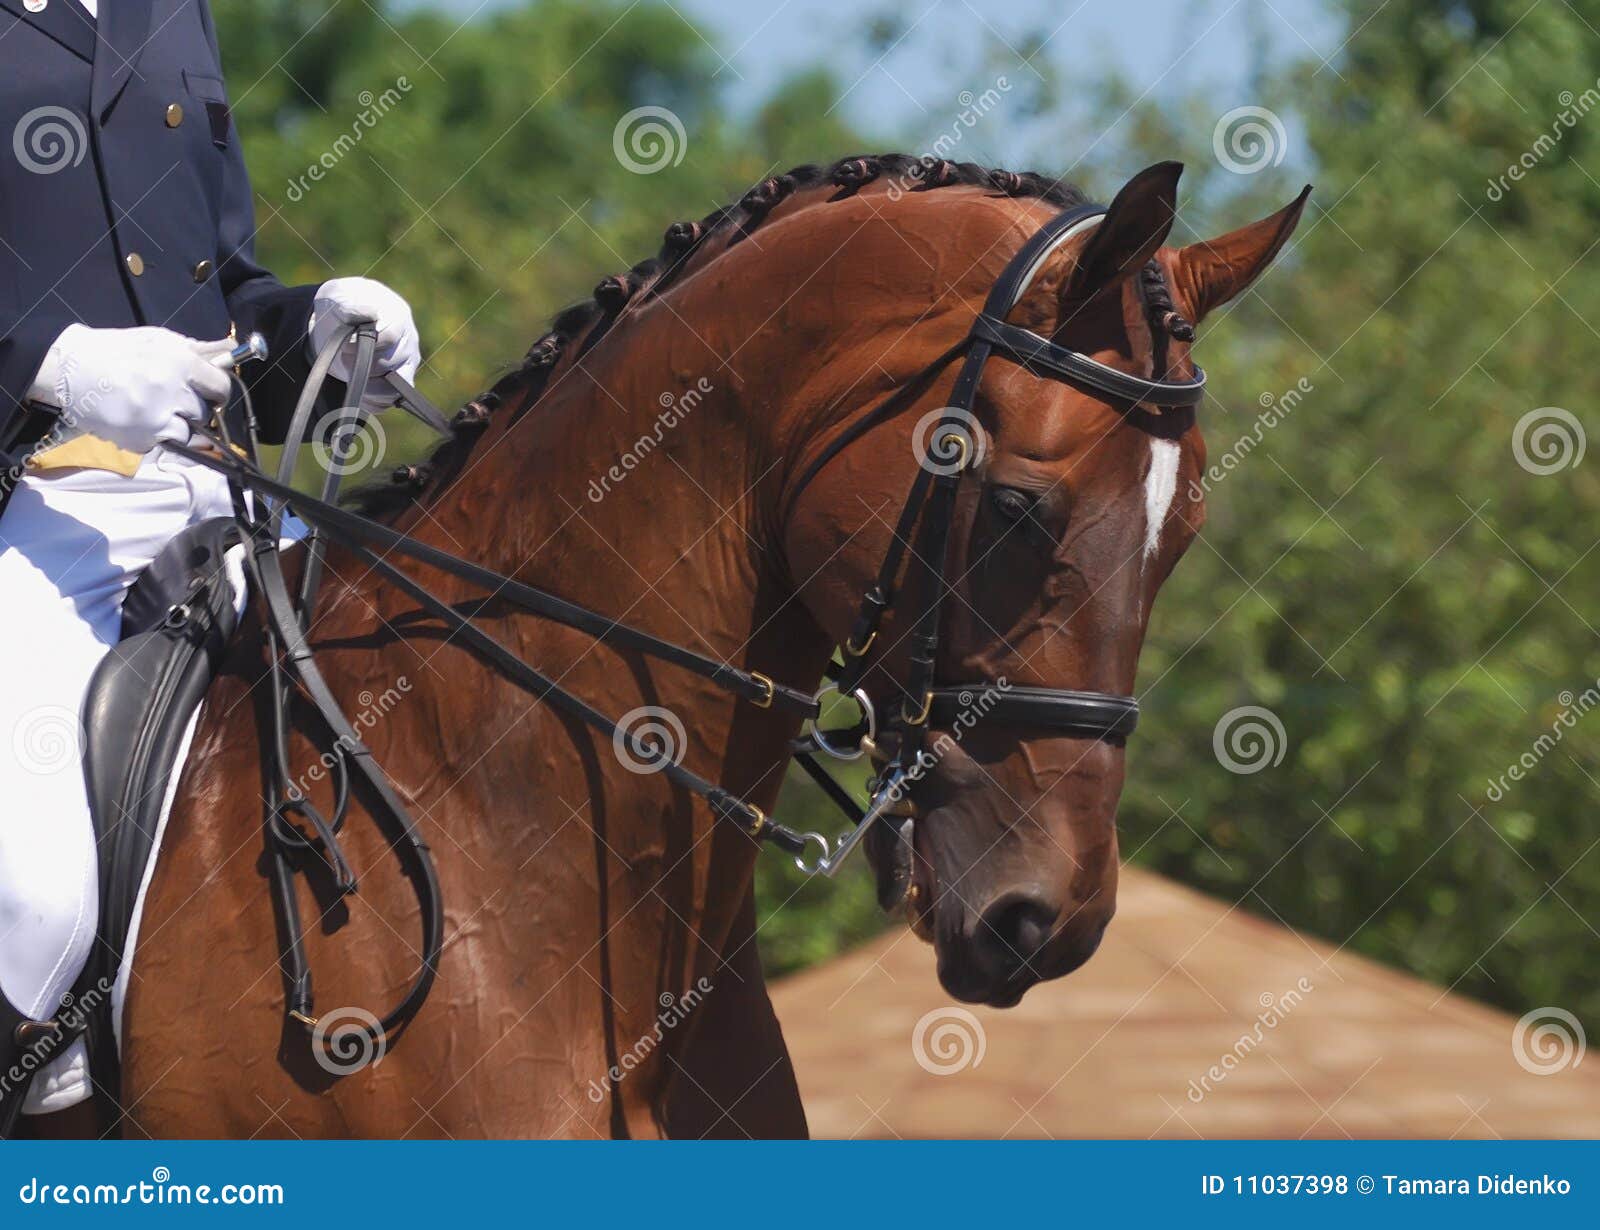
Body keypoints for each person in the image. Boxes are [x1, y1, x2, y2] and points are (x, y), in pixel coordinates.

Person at [0, 0, 420, 1128]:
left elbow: (221, 297)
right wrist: (45, 366)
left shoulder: (165, 8)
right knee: (31, 896)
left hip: (218, 490)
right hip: (33, 504)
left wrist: (317, 329)